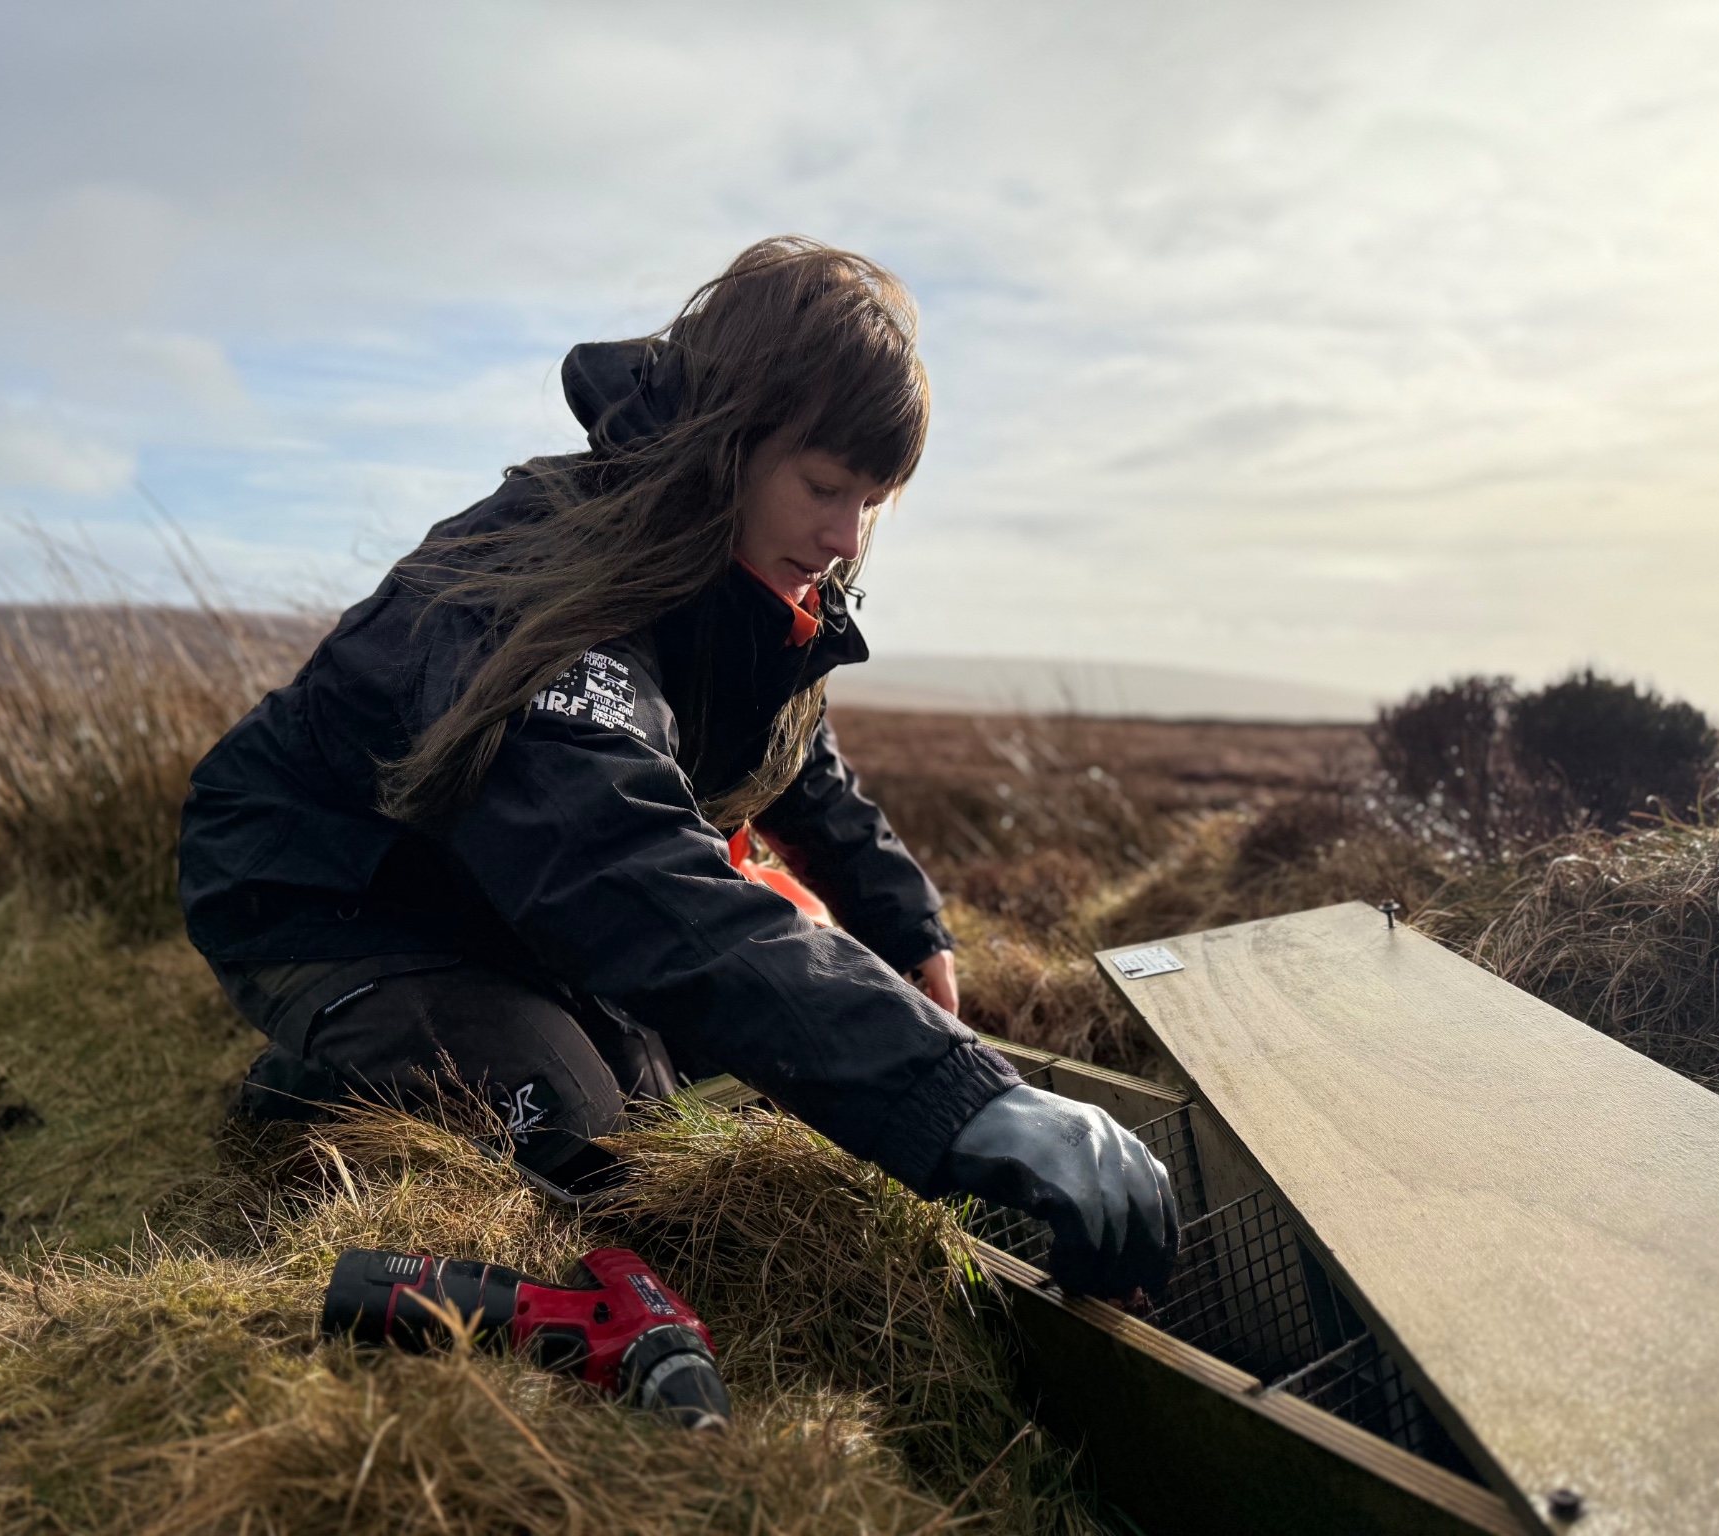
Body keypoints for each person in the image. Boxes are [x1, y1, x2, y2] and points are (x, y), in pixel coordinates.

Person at [179, 237, 1177, 1298]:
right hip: (333, 895)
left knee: (676, 1105)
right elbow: (622, 869)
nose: (844, 538)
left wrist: (902, 916)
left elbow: (785, 753)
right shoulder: (548, 584)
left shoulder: (742, 569)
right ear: (728, 441)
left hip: (497, 890)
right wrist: (965, 1098)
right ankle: (318, 1085)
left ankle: (436, 1043)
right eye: (825, 486)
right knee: (588, 1148)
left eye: (871, 503)